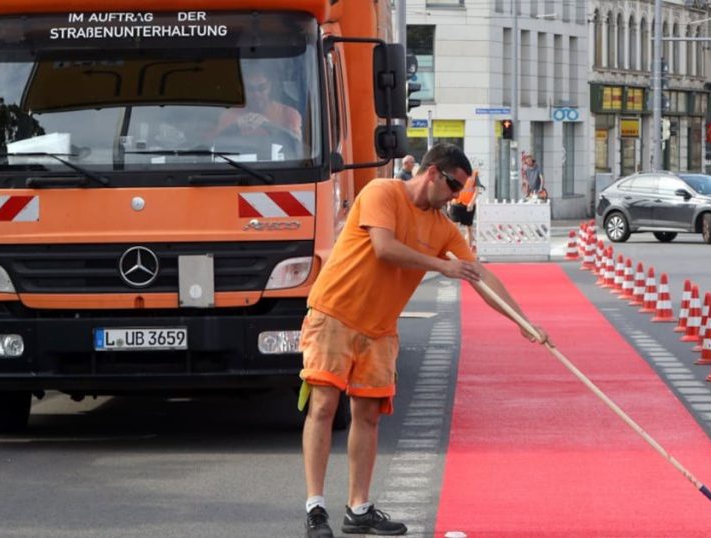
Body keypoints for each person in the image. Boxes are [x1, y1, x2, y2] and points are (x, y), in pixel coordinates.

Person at [299, 143, 548, 538]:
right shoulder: (382, 193)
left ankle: (358, 508)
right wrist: (442, 266)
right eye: (453, 186)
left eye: (461, 191)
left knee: (367, 415)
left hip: (379, 328)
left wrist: (522, 320)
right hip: (334, 314)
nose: (455, 197)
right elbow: (384, 249)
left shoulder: (442, 226)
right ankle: (315, 507)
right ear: (432, 173)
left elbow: (477, 274)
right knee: (324, 406)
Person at [213, 68, 302, 139]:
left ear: (270, 86)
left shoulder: (288, 114)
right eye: (250, 89)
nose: (256, 94)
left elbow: (297, 145)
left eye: (262, 88)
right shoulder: (229, 115)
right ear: (241, 89)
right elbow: (211, 143)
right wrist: (236, 125)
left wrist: (269, 125)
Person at [448, 170, 483, 251]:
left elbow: (477, 190)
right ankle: (452, 247)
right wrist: (449, 203)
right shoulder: (455, 172)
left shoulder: (474, 174)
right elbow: (451, 188)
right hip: (456, 203)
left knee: (469, 227)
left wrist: (471, 202)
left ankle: (469, 248)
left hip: (468, 204)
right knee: (454, 227)